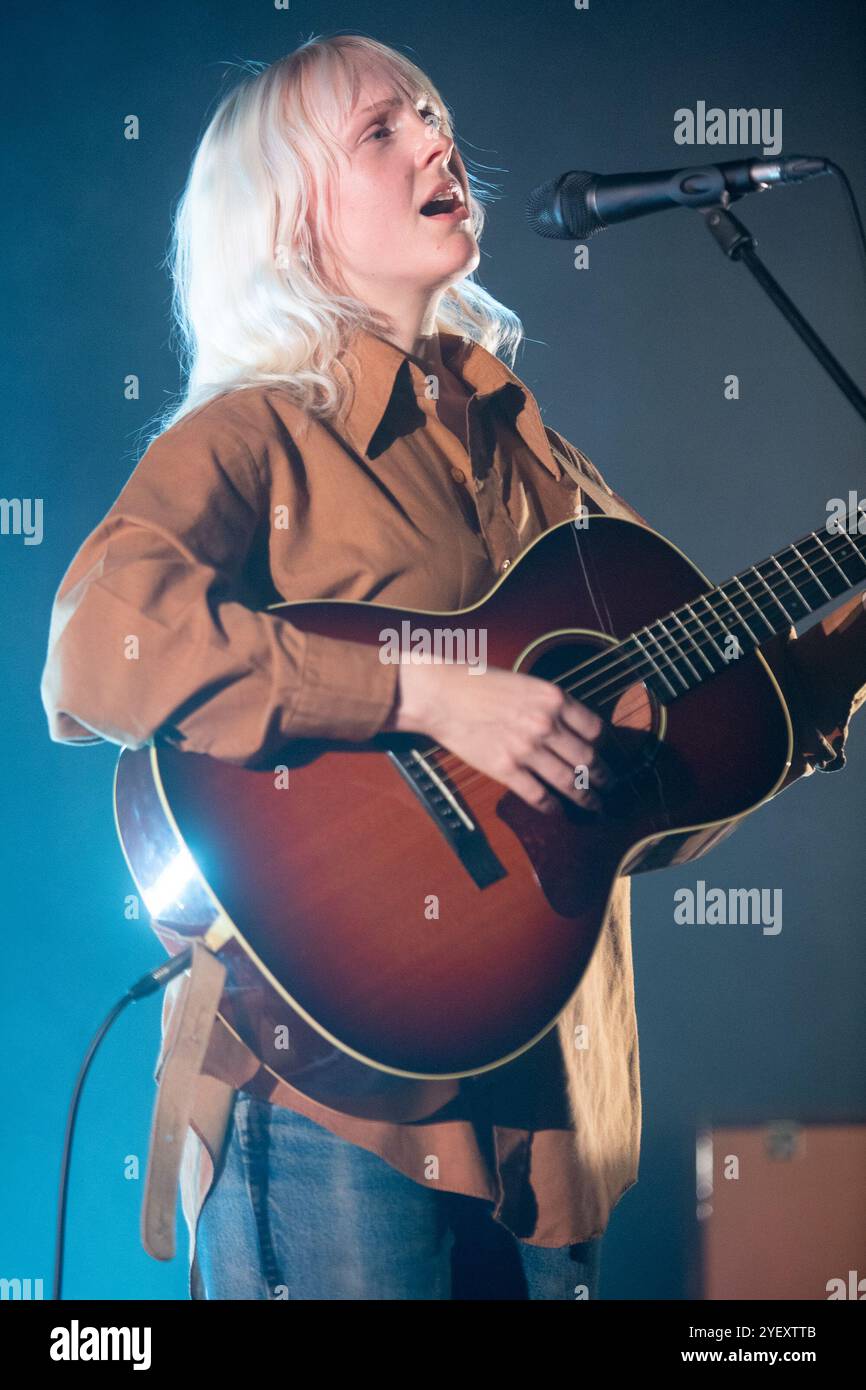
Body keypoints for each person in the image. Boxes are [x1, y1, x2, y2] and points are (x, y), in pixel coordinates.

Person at [40, 34, 866, 1300]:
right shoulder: (254, 435)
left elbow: (706, 750)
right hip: (332, 1107)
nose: (437, 141)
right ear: (289, 216)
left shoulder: (536, 457)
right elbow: (100, 651)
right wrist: (426, 693)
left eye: (431, 113)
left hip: (555, 1123)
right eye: (382, 131)